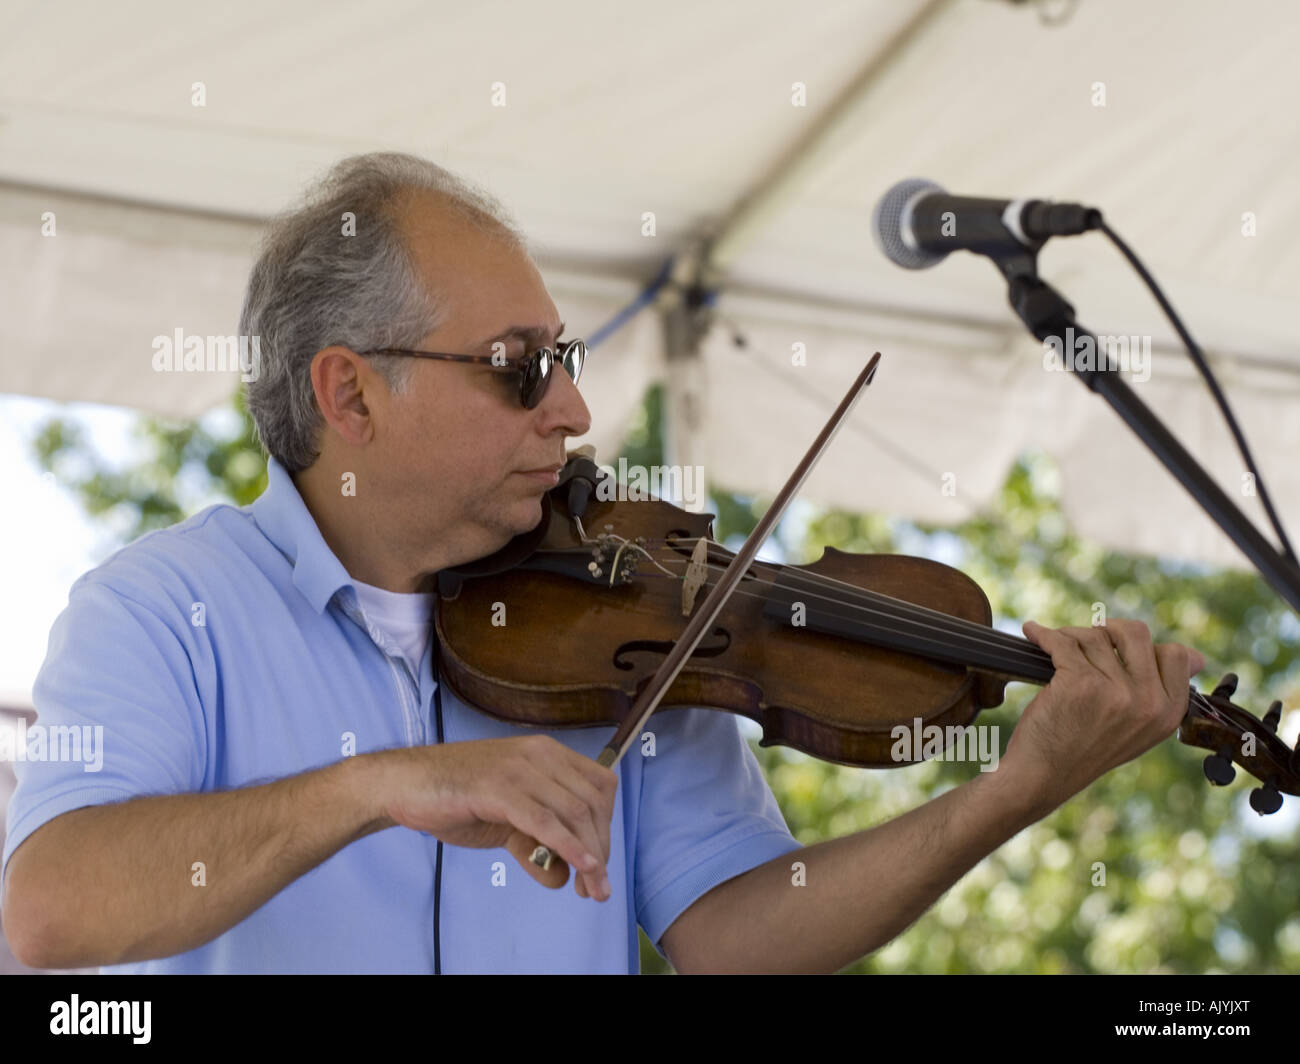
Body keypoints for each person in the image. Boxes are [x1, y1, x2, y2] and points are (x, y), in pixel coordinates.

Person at [0, 152, 1205, 974]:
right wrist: (376, 786)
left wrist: (1009, 793)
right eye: (520, 364)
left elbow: (737, 932)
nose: (573, 407)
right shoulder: (165, 610)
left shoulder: (631, 622)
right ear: (350, 390)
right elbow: (49, 906)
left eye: (564, 355)